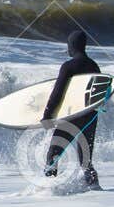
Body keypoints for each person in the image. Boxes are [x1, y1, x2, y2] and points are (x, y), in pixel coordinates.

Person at [42, 29, 101, 188]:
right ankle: (94, 186)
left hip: (72, 115)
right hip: (91, 116)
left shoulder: (69, 66)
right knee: (85, 159)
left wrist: (47, 115)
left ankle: (50, 188)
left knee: (53, 154)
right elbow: (98, 95)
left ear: (72, 46)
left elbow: (58, 93)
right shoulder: (94, 66)